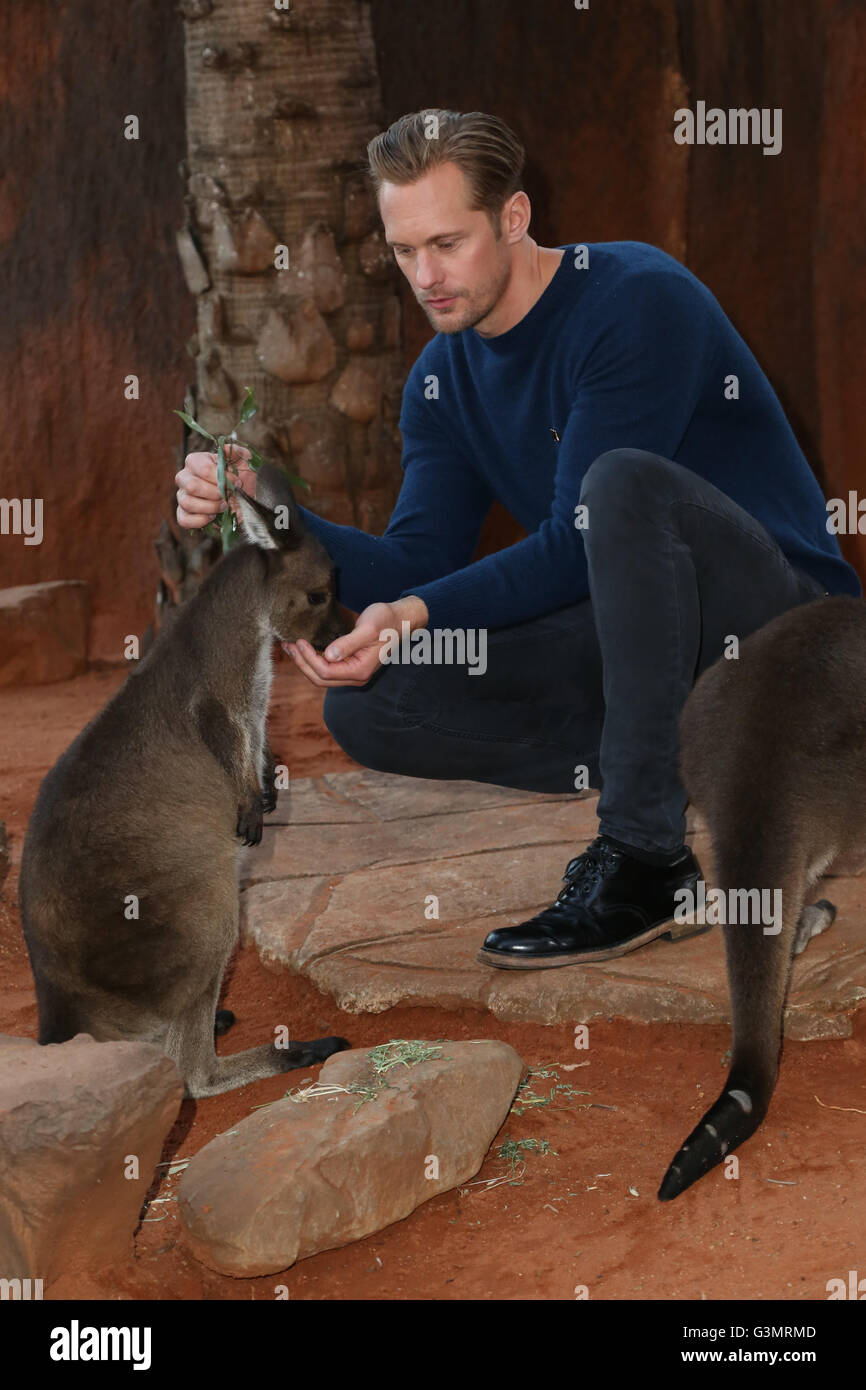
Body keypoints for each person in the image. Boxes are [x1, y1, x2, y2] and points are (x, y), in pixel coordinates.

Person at [175, 108, 861, 971]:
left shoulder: (636, 302)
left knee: (619, 486)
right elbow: (420, 559)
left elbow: (574, 542)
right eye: (403, 251)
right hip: (647, 655)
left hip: (788, 645)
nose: (425, 276)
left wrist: (414, 609)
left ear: (514, 217)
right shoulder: (441, 381)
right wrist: (275, 516)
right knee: (373, 702)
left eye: (447, 243)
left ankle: (647, 856)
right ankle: (667, 768)